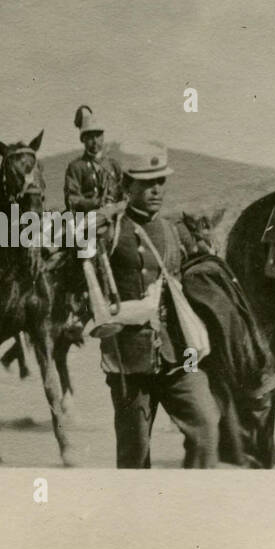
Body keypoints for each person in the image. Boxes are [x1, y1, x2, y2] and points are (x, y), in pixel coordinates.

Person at [96, 141, 219, 469]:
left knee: (207, 426)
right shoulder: (109, 231)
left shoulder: (173, 231)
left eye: (160, 181)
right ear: (127, 185)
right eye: (147, 182)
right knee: (134, 455)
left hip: (180, 355)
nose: (155, 190)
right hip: (130, 362)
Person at [63, 104, 123, 214]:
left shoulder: (113, 165)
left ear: (103, 137)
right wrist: (96, 203)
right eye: (90, 137)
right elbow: (72, 199)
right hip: (87, 219)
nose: (95, 141)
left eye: (98, 135)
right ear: (83, 139)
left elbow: (124, 191)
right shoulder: (76, 167)